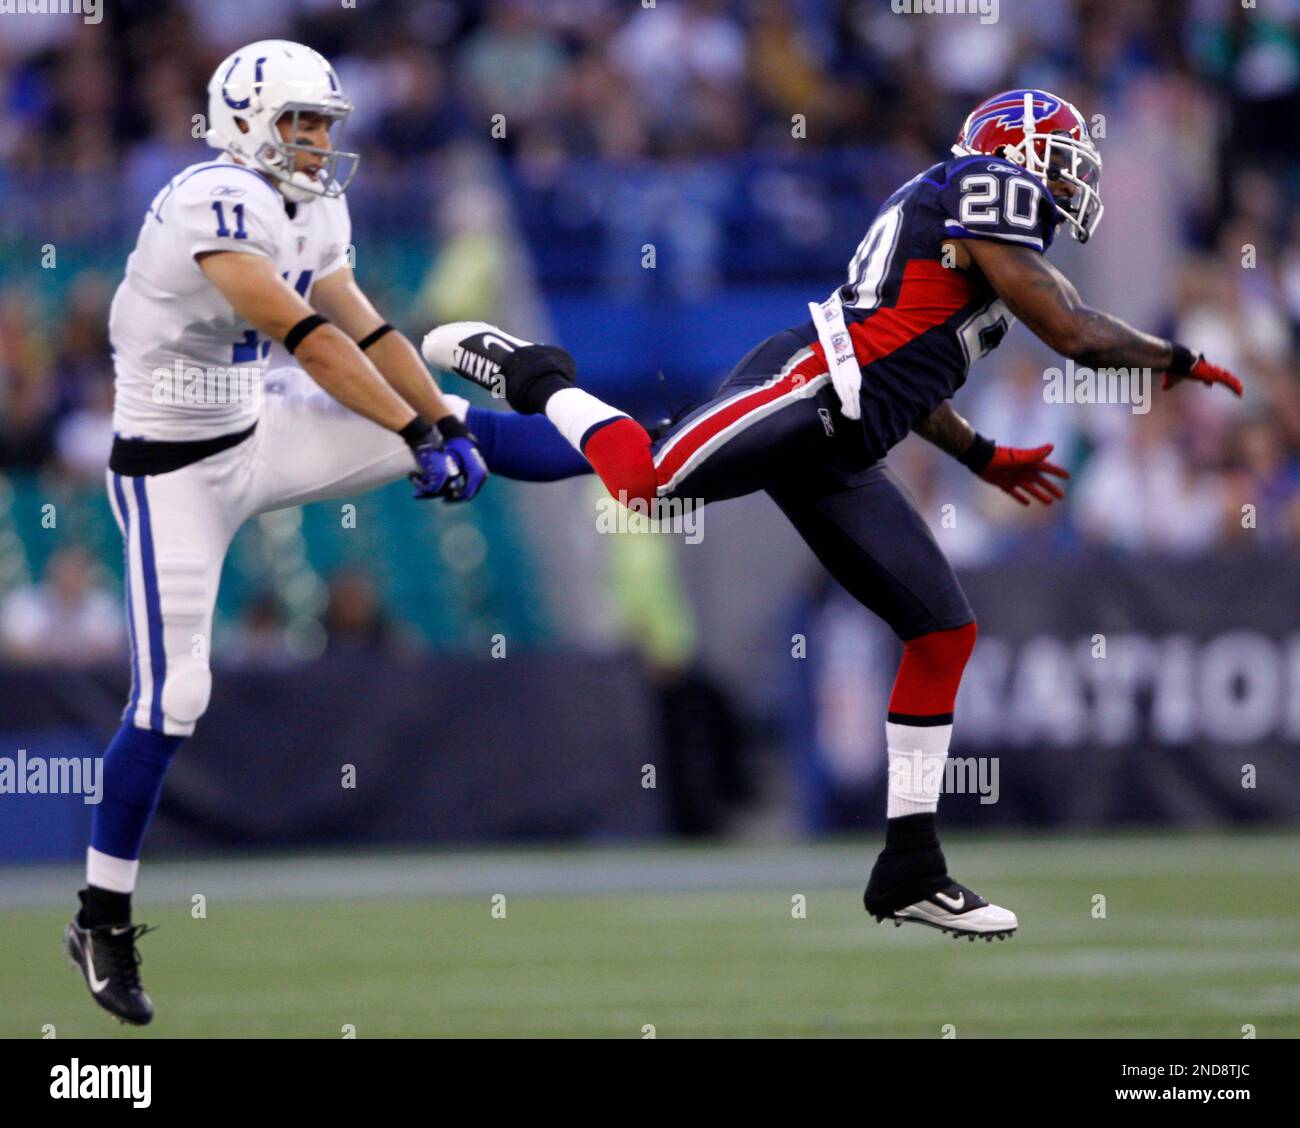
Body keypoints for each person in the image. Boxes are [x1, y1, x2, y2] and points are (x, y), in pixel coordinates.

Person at [421, 89, 1243, 942]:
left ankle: (911, 867)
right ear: (1019, 152)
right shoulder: (991, 186)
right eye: (1066, 159)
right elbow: (1072, 333)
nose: (1075, 181)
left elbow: (918, 369)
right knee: (645, 480)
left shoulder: (988, 229)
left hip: (846, 435)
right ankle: (537, 375)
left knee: (941, 630)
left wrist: (981, 455)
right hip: (810, 386)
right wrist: (1177, 354)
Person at [65, 40, 488, 1026]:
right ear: (247, 120)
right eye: (303, 122)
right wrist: (414, 426)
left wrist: (443, 424)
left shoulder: (314, 203)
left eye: (327, 123)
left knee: (478, 432)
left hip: (258, 425)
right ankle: (100, 915)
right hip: (174, 474)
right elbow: (306, 333)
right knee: (175, 698)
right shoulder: (207, 198)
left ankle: (635, 447)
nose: (320, 142)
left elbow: (369, 330)